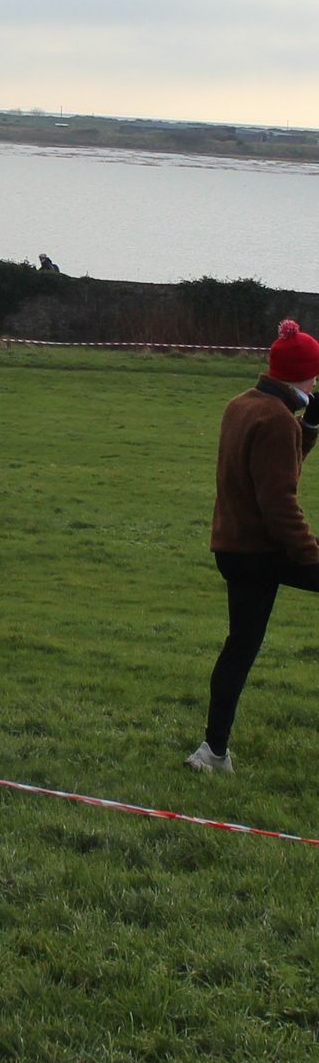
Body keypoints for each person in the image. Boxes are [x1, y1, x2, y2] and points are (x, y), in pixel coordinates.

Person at [188, 318, 319, 773]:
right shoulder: (278, 419)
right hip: (266, 551)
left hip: (233, 547)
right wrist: (311, 553)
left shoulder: (242, 405)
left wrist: (312, 426)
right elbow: (279, 500)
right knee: (242, 645)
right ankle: (213, 753)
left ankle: (213, 751)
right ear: (306, 373)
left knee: (239, 647)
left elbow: (274, 466)